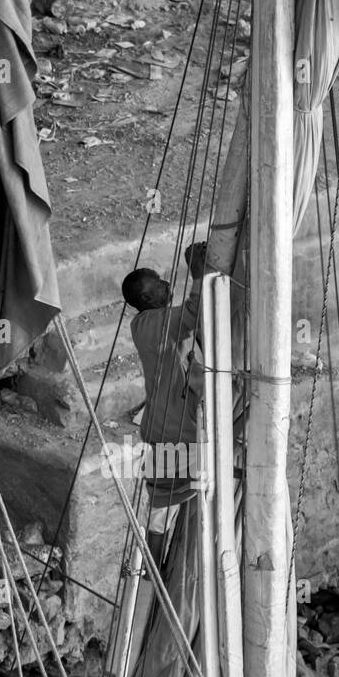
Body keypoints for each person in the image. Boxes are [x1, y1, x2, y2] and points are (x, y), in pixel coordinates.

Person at [122, 243, 211, 567]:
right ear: (147, 299)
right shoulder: (160, 322)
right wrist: (199, 274)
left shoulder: (143, 324)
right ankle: (160, 568)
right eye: (159, 283)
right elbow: (196, 311)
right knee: (182, 494)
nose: (166, 283)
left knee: (162, 505)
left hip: (161, 425)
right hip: (176, 426)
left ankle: (152, 569)